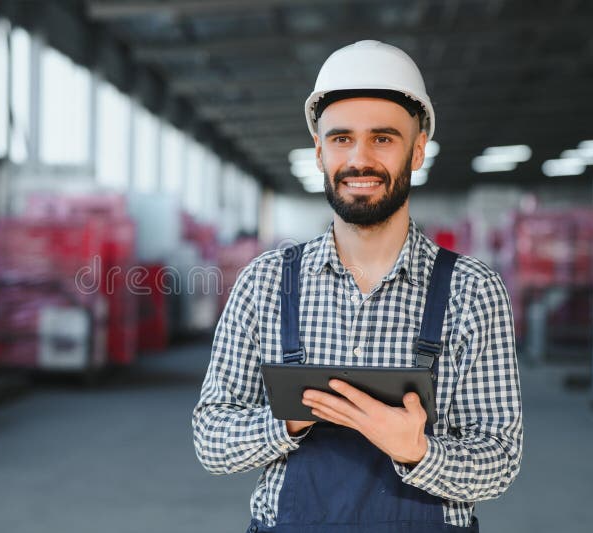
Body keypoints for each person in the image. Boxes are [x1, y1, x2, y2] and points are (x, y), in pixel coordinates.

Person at [192, 40, 522, 532]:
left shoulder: (472, 291)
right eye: (342, 138)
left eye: (383, 139)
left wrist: (419, 450)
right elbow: (211, 440)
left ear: (417, 151)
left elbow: (500, 459)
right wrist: (284, 422)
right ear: (319, 151)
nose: (360, 160)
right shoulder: (265, 283)